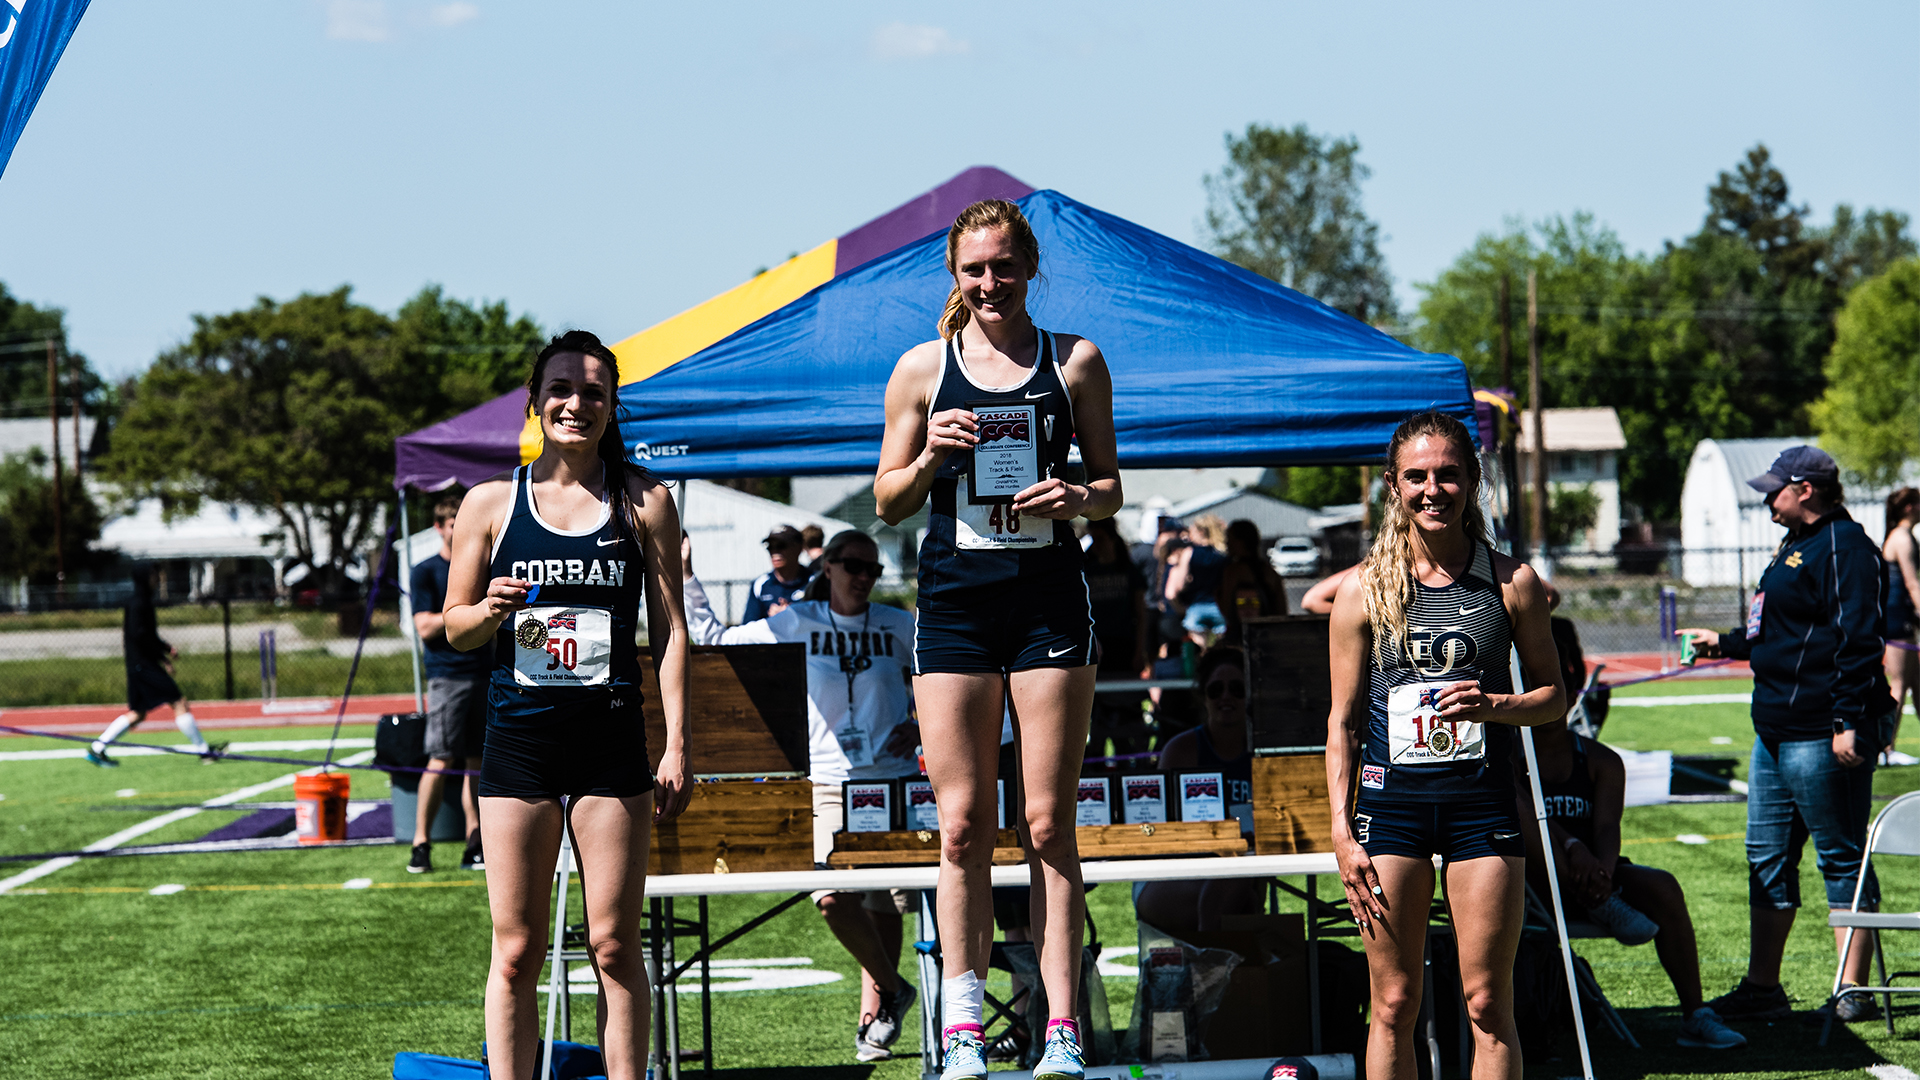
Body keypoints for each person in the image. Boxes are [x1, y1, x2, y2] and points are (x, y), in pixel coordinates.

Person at [875, 198, 1122, 1080]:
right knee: (963, 826)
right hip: (955, 607)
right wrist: (930, 457)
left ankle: (1062, 1029)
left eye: (1004, 266)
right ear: (955, 273)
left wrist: (1076, 498)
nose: (990, 282)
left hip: (1048, 604)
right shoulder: (921, 369)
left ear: (1030, 268)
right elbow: (887, 502)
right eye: (974, 269)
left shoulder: (1075, 361)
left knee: (1048, 822)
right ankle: (962, 1030)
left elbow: (1112, 489)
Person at [442, 330, 692, 1080]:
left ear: (612, 405)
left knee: (613, 945)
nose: (575, 403)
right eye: (560, 388)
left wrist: (678, 744)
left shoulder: (645, 500)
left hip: (609, 746)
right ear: (534, 401)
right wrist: (490, 610)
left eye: (592, 391)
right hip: (519, 745)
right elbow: (456, 628)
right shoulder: (491, 503)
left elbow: (671, 631)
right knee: (516, 951)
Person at [1324, 411, 1566, 1080]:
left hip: (1481, 809)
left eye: (1448, 475)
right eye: (1417, 477)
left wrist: (1495, 706)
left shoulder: (1513, 583)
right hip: (1389, 813)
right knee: (1394, 1003)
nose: (1433, 491)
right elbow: (1342, 723)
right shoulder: (1362, 589)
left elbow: (1554, 697)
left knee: (1487, 1003)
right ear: (1393, 486)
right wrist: (1341, 833)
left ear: (1474, 481)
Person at [682, 529, 920, 1062]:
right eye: (854, 565)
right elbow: (713, 638)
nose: (864, 577)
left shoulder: (898, 623)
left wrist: (923, 724)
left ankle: (874, 1018)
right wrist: (687, 574)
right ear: (827, 566)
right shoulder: (798, 620)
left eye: (874, 570)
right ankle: (894, 988)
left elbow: (949, 670)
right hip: (830, 782)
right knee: (831, 895)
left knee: (886, 905)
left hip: (894, 781)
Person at [1679, 445, 1895, 1027]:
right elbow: (1776, 631)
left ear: (1806, 490)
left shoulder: (1846, 547)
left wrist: (1847, 722)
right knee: (1767, 856)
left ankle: (1853, 987)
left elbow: (1859, 642)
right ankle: (1763, 987)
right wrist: (1723, 644)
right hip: (1774, 730)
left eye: (1775, 490)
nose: (1766, 499)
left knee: (1840, 855)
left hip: (1821, 730)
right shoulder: (1796, 543)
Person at [1516, 719, 1747, 1048]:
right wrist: (1572, 845)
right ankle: (1600, 903)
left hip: (1597, 876)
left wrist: (1604, 874)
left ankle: (1696, 1014)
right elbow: (1527, 818)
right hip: (1531, 883)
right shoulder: (1508, 756)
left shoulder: (1601, 759)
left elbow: (1608, 826)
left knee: (1663, 886)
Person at [1133, 646, 1261, 936]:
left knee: (1239, 880)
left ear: (1251, 694)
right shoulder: (1180, 751)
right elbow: (1160, 831)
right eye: (1216, 690)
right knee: (1235, 884)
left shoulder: (1261, 755)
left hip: (1240, 873)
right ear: (1203, 696)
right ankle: (1213, 957)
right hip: (1169, 876)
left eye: (1237, 689)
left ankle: (1220, 958)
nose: (1226, 697)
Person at [407, 490, 489, 874]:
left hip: (485, 672)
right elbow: (424, 626)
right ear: (439, 527)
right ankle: (420, 842)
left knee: (477, 762)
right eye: (454, 523)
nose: (460, 530)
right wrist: (466, 614)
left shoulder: (482, 567)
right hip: (447, 677)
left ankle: (475, 841)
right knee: (440, 760)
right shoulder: (425, 570)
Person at [88, 567, 224, 767]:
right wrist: (163, 654)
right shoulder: (139, 603)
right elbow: (141, 636)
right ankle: (204, 751)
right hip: (143, 665)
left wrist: (164, 653)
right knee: (178, 702)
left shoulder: (141, 601)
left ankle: (97, 748)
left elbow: (146, 635)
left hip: (139, 664)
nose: (157, 579)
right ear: (145, 578)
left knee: (138, 713)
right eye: (154, 576)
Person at [1082, 517, 1152, 759]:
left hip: (1124, 645)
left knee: (1127, 707)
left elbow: (1141, 614)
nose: (1096, 545)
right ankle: (1098, 759)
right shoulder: (1087, 568)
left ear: (1111, 538)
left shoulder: (1128, 569)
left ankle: (1132, 757)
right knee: (1097, 708)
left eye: (1100, 539)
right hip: (1096, 645)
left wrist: (1140, 652)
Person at [1879, 487, 1920, 766]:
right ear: (1909, 507)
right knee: (1899, 683)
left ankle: (1887, 749)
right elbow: (1912, 583)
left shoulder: (1905, 536)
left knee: (1917, 684)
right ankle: (1886, 749)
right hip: (1897, 620)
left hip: (1903, 618)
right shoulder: (1902, 538)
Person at [1216, 519, 1288, 643]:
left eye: (1229, 539)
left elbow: (1227, 610)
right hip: (1269, 636)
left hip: (1242, 637)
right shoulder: (1269, 571)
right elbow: (1282, 611)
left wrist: (1217, 596)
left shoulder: (1233, 572)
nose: (1226, 543)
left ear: (1241, 542)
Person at [1165, 515, 1228, 644]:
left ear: (1201, 532)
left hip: (1197, 607)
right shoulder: (1221, 553)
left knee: (1198, 649)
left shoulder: (1190, 553)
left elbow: (1180, 584)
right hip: (1219, 607)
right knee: (1222, 647)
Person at [744, 525, 812, 620]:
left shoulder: (814, 582)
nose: (775, 551)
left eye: (781, 546)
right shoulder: (760, 584)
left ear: (798, 548)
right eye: (770, 547)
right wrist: (772, 621)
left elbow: (826, 622)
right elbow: (749, 625)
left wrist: (793, 614)